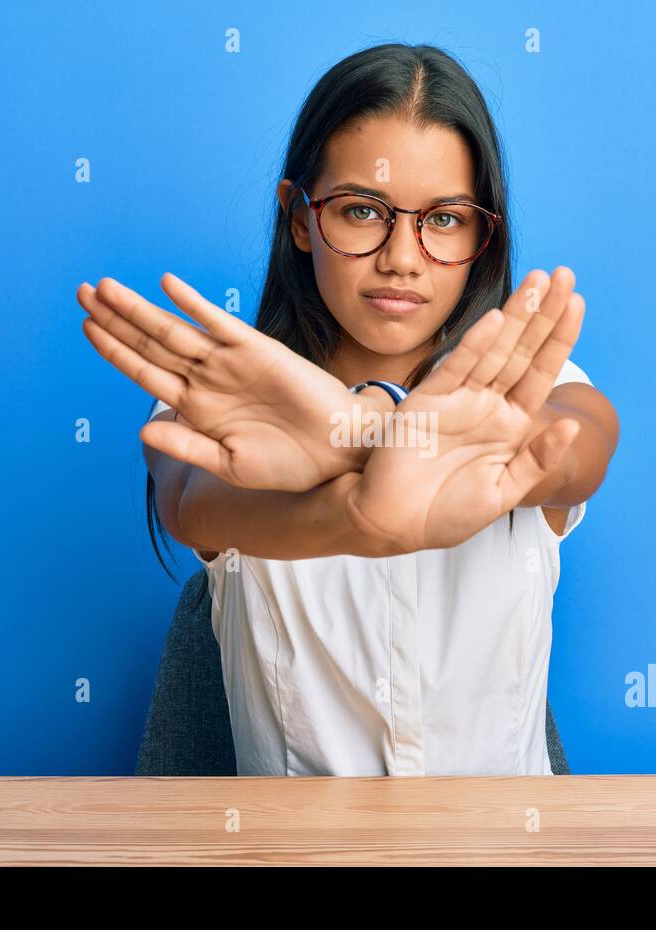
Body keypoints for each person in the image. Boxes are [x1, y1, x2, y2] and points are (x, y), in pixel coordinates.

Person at [77, 43, 619, 776]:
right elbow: (189, 505)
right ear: (299, 218)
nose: (403, 256)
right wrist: (362, 487)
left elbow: (581, 445)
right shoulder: (221, 401)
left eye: (445, 220)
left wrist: (368, 431)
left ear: (483, 235)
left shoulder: (530, 392)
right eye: (363, 210)